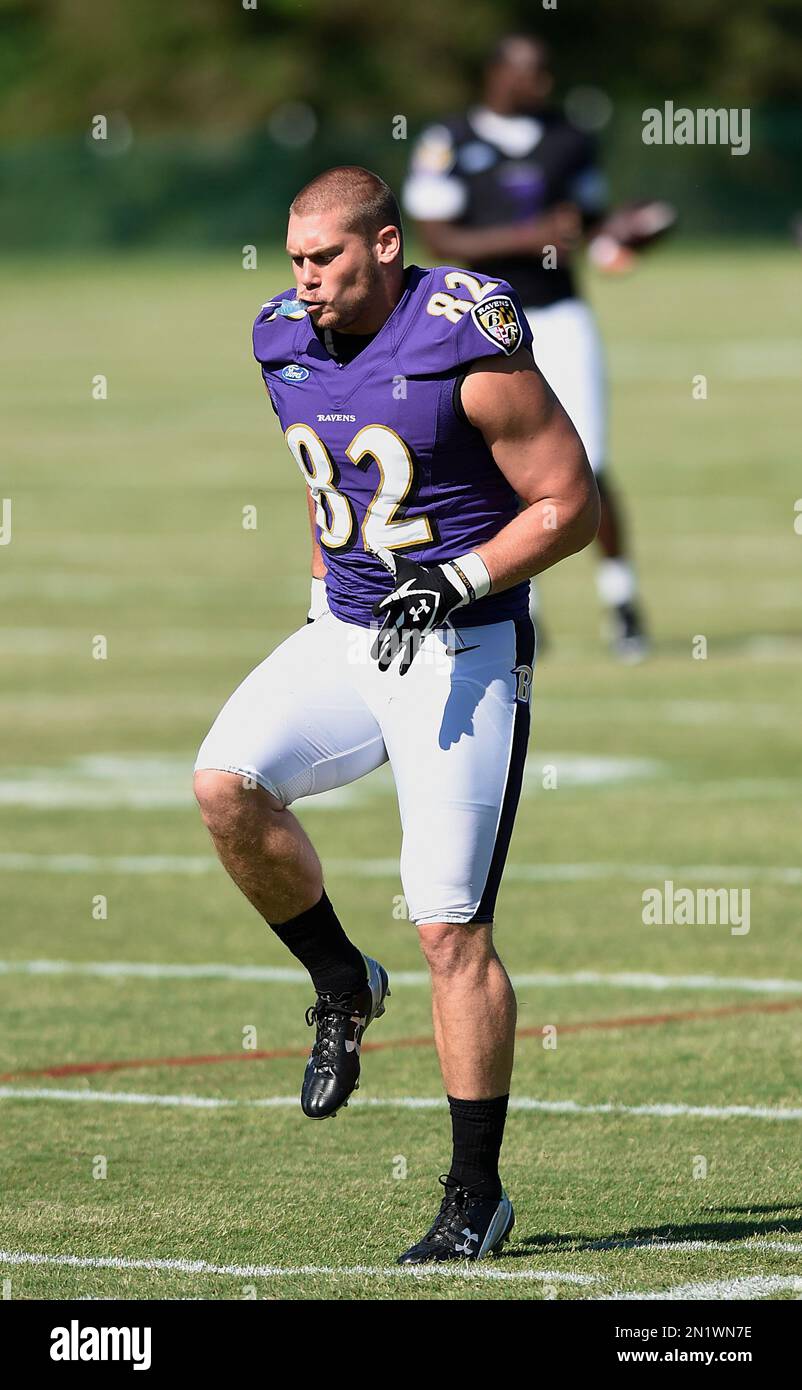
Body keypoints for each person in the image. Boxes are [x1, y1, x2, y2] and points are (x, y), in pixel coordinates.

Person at [193, 165, 599, 1263]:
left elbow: (569, 502)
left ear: (384, 246)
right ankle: (338, 977)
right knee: (225, 785)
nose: (303, 281)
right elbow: (339, 494)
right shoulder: (277, 337)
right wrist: (333, 591)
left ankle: (476, 1195)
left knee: (449, 927)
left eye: (324, 258)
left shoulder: (463, 333)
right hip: (349, 630)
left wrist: (462, 578)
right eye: (293, 260)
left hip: (461, 643)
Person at [403, 32, 648, 659]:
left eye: (545, 72)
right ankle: (523, 609)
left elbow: (591, 228)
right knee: (503, 467)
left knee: (587, 460)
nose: (540, 85)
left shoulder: (568, 137)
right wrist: (528, 234)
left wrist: (627, 233)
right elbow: (436, 239)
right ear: (497, 74)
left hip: (559, 312)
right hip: (479, 323)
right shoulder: (450, 140)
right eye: (529, 72)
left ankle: (622, 602)